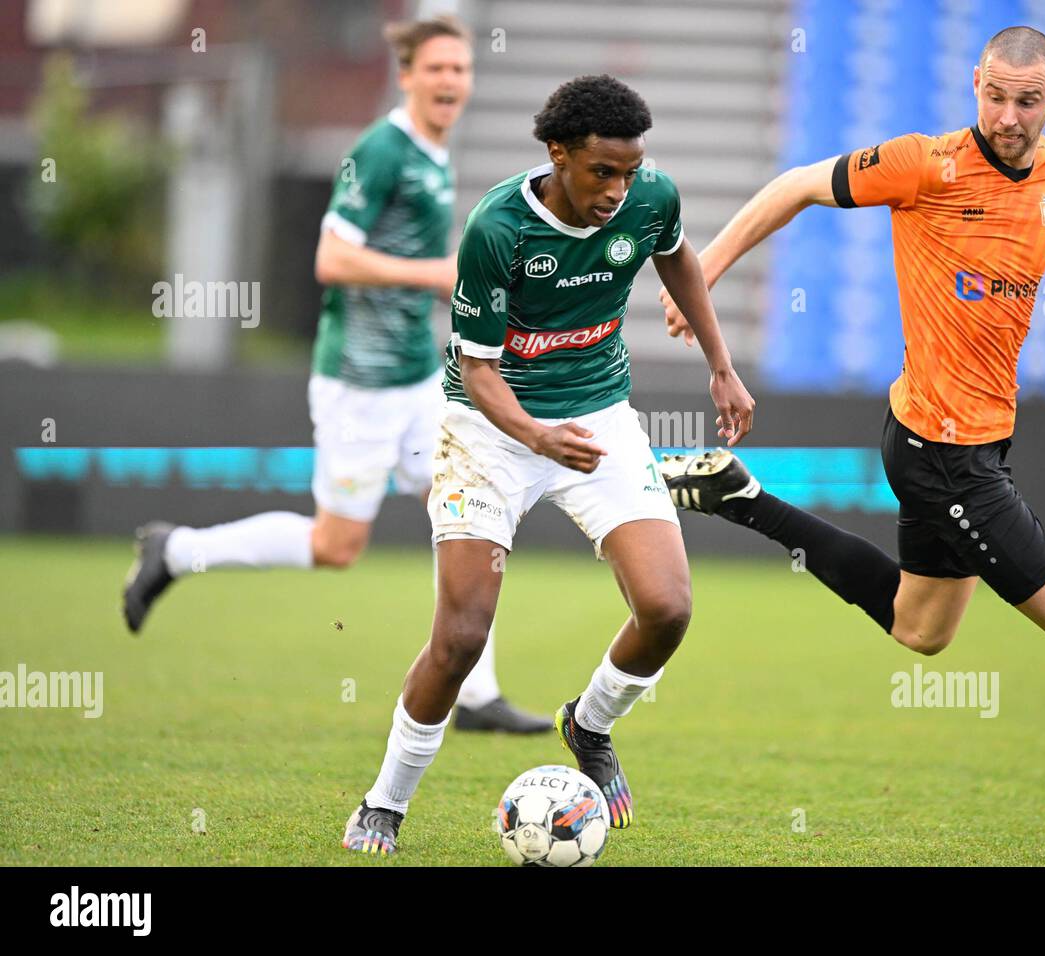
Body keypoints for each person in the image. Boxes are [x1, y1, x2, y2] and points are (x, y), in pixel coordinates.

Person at [658, 26, 1045, 863]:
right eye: (994, 95)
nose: (1006, 115)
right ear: (975, 84)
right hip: (941, 455)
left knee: (921, 632)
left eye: (1025, 100)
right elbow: (796, 184)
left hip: (981, 447)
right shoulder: (923, 162)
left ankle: (747, 501)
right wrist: (702, 271)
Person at [340, 74, 755, 855]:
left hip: (598, 419)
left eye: (630, 172)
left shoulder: (649, 195)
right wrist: (535, 436)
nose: (619, 190)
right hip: (489, 430)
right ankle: (384, 803)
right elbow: (479, 371)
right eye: (604, 171)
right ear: (557, 154)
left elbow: (678, 258)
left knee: (668, 609)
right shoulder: (497, 230)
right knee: (461, 636)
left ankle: (588, 723)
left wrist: (720, 364)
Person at [121, 16, 549, 734]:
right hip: (360, 382)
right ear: (407, 76)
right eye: (437, 68)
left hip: (419, 379)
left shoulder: (434, 151)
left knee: (466, 509)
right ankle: (177, 550)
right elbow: (332, 259)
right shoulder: (379, 151)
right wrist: (436, 275)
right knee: (336, 547)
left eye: (461, 69)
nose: (451, 81)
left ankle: (474, 694)